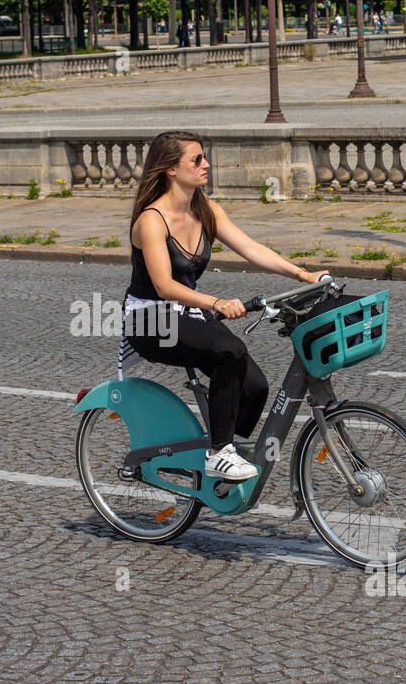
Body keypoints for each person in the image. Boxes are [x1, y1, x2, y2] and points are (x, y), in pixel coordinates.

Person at [120, 131, 329, 482]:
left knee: (256, 387)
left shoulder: (205, 209)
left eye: (205, 158)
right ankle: (219, 453)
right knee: (229, 351)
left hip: (186, 314)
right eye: (197, 159)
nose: (207, 165)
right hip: (150, 320)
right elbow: (164, 285)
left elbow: (251, 249)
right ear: (171, 169)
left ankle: (223, 453)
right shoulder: (151, 220)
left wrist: (303, 275)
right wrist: (217, 302)